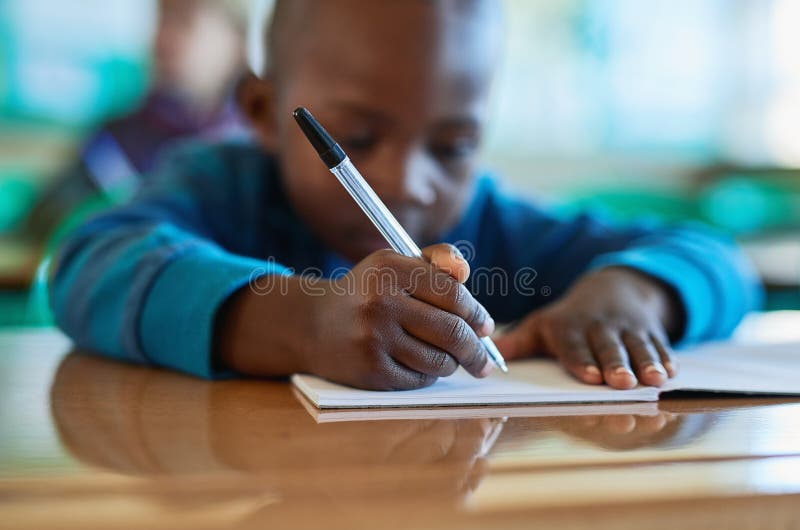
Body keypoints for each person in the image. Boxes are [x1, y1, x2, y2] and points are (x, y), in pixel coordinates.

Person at [49, 0, 762, 391]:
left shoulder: (494, 225)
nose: (408, 184)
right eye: (358, 138)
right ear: (265, 112)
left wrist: (631, 293)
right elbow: (87, 262)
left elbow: (715, 258)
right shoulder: (219, 184)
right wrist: (303, 324)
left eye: (452, 147)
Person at [25, 0, 248, 242]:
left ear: (236, 40)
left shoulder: (255, 148)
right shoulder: (121, 136)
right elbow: (44, 218)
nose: (161, 41)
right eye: (161, 20)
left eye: (184, 23)